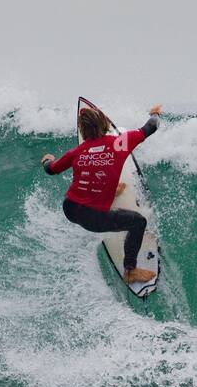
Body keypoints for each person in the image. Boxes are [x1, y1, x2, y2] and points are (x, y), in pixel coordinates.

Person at [42, 104, 163, 284]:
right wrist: (154, 114)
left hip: (70, 208)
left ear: (82, 131)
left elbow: (50, 170)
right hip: (95, 219)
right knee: (139, 222)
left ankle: (110, 192)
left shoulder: (76, 152)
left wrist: (47, 159)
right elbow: (152, 126)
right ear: (104, 124)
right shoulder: (120, 142)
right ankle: (130, 270)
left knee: (87, 176)